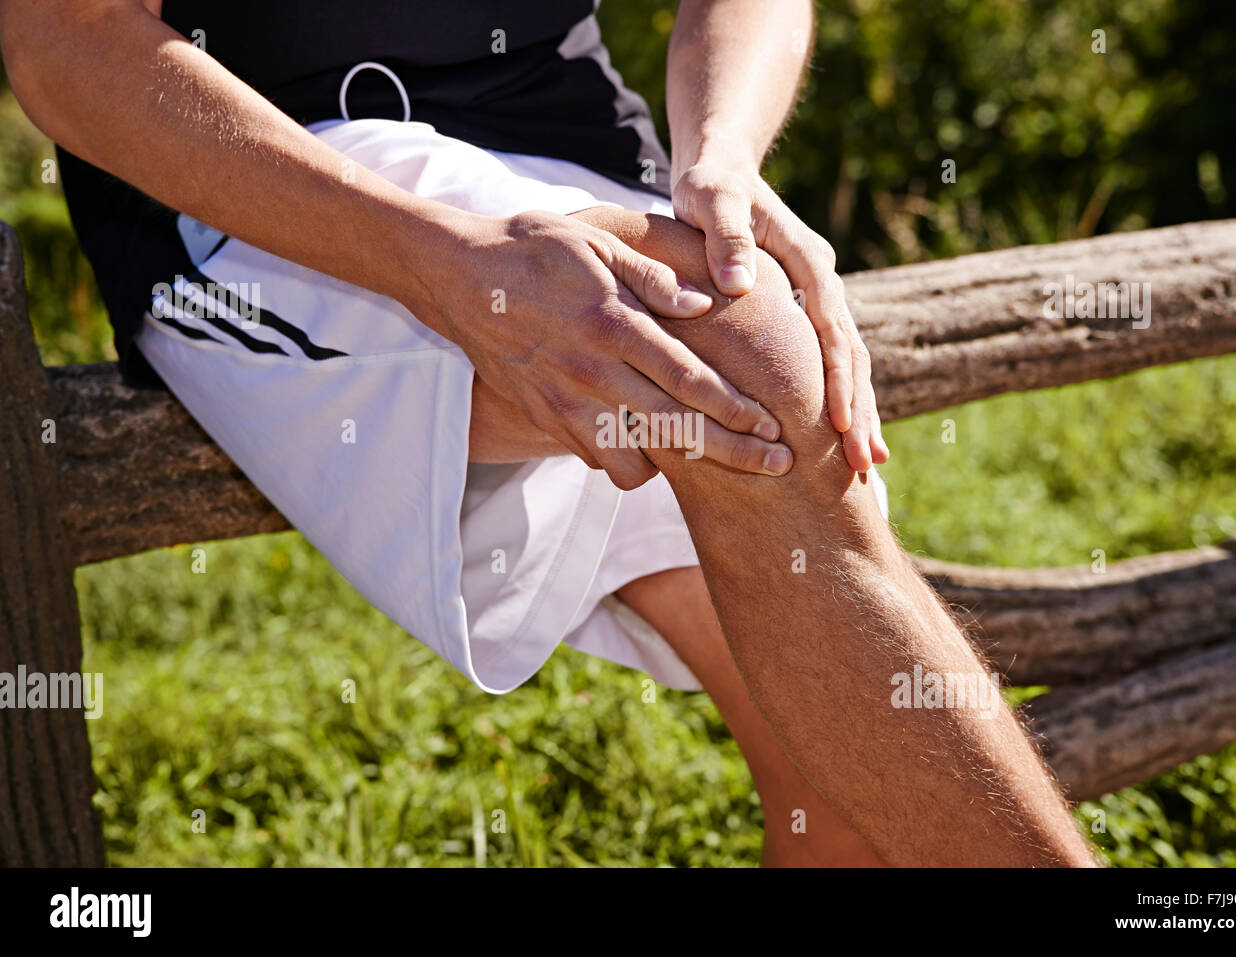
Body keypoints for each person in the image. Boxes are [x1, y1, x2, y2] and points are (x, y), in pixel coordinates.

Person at [1, 0, 1099, 866]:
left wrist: (721, 158)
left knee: (841, 803)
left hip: (567, 141)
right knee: (742, 357)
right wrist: (447, 263)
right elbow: (65, 38)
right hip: (259, 192)